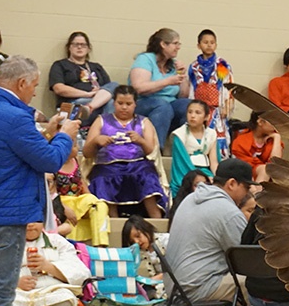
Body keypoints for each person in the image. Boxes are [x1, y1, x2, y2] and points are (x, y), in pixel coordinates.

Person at [0, 56, 79, 306]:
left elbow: (14, 150)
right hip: (5, 216)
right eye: (33, 85)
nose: (34, 92)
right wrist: (65, 135)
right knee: (1, 296)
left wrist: (46, 133)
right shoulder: (15, 117)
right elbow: (49, 160)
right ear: (21, 83)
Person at [166, 158, 266, 306]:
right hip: (197, 287)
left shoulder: (191, 199)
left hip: (176, 286)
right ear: (232, 183)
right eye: (246, 187)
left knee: (246, 289)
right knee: (269, 293)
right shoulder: (226, 211)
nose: (248, 192)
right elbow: (247, 261)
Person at [84, 86, 167, 218]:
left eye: (128, 104)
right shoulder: (101, 120)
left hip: (138, 164)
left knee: (148, 177)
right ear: (114, 103)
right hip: (107, 165)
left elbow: (151, 151)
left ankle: (157, 221)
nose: (124, 107)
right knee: (103, 179)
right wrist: (96, 141)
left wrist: (140, 141)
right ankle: (113, 222)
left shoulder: (144, 122)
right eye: (120, 103)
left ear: (135, 104)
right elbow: (86, 153)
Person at [129, 28, 191, 151]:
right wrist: (168, 81)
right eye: (175, 43)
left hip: (168, 106)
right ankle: (156, 150)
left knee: (189, 106)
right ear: (163, 44)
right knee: (162, 106)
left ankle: (185, 150)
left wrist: (183, 75)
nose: (178, 47)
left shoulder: (173, 64)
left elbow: (183, 95)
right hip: (144, 103)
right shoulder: (145, 59)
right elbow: (139, 88)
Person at [48, 31, 118, 123]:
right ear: (69, 47)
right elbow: (59, 89)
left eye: (83, 45)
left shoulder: (96, 67)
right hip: (75, 103)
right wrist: (87, 94)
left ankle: (91, 109)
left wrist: (98, 94)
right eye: (75, 44)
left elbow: (108, 90)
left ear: (88, 48)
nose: (79, 47)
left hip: (97, 104)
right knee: (108, 103)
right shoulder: (60, 65)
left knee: (114, 88)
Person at [54, 138, 110, 246]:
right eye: (75, 146)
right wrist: (63, 208)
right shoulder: (52, 165)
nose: (78, 148)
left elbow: (81, 182)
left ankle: (100, 245)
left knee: (99, 206)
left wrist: (91, 199)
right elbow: (50, 193)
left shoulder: (75, 160)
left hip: (77, 200)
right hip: (61, 202)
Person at [187, 29, 233, 160]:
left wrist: (227, 107)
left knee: (219, 134)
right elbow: (192, 87)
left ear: (216, 45)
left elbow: (228, 86)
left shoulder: (222, 65)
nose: (209, 45)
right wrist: (192, 107)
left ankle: (219, 160)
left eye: (212, 42)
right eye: (205, 42)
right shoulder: (194, 67)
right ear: (198, 45)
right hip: (200, 108)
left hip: (217, 108)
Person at [169, 100, 218, 196]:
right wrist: (201, 179)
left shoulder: (211, 134)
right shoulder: (179, 134)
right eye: (190, 112)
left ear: (207, 117)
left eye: (198, 113)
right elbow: (181, 163)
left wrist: (216, 178)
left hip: (206, 172)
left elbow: (214, 162)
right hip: (186, 173)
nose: (192, 116)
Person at [230, 111, 283, 182]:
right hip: (244, 176)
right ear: (260, 122)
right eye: (273, 122)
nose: (276, 125)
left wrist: (277, 138)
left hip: (269, 178)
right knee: (265, 169)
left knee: (267, 169)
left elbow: (276, 163)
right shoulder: (241, 141)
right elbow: (243, 167)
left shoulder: (273, 139)